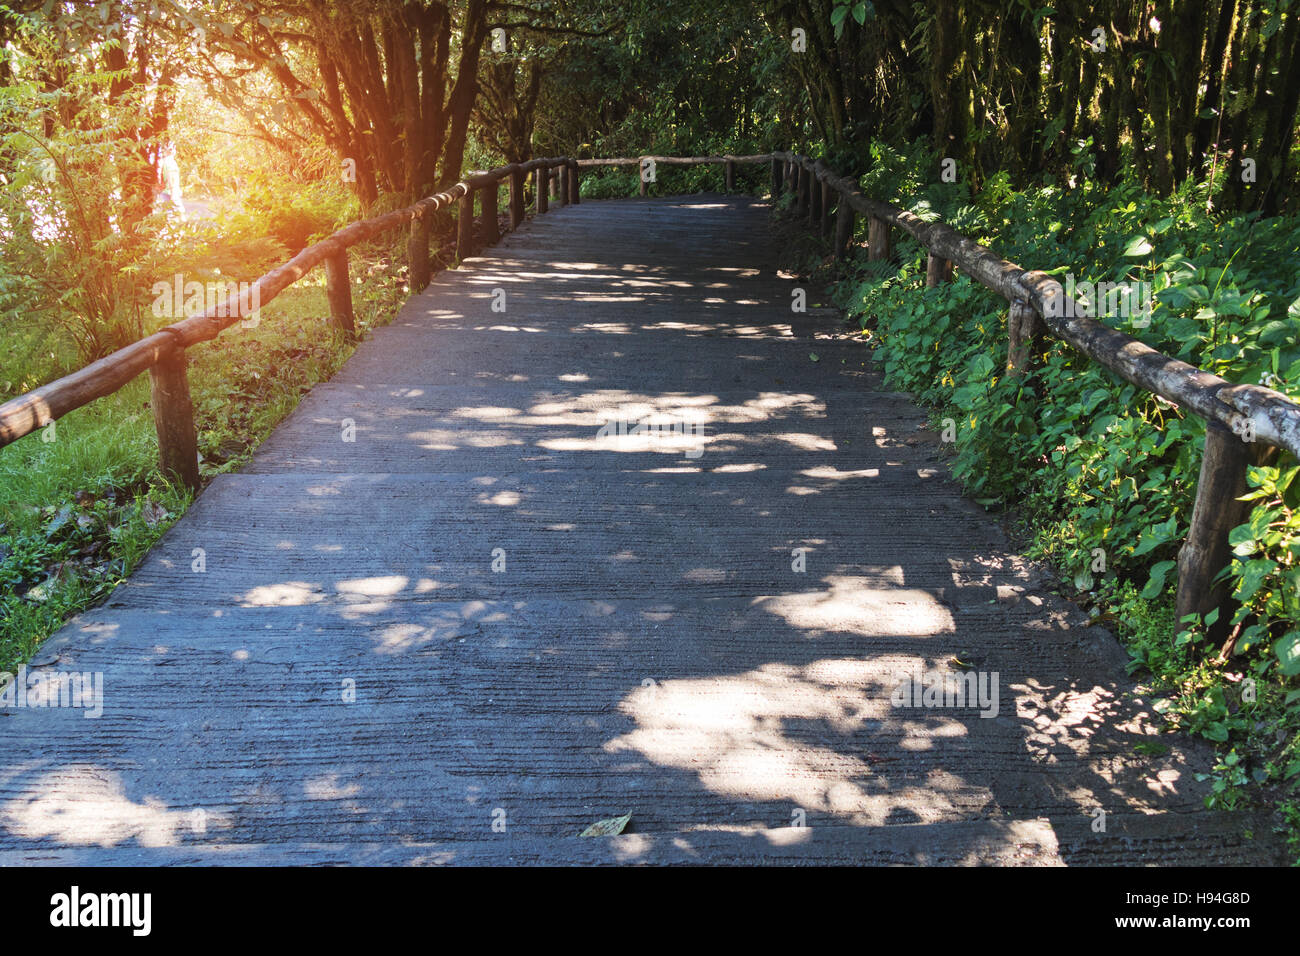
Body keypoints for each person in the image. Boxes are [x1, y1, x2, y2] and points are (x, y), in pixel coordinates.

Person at [156, 141, 185, 220]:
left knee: (168, 214)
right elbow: (171, 177)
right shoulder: (170, 162)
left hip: (165, 191)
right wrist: (173, 192)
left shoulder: (165, 161)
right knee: (180, 213)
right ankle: (185, 231)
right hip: (171, 191)